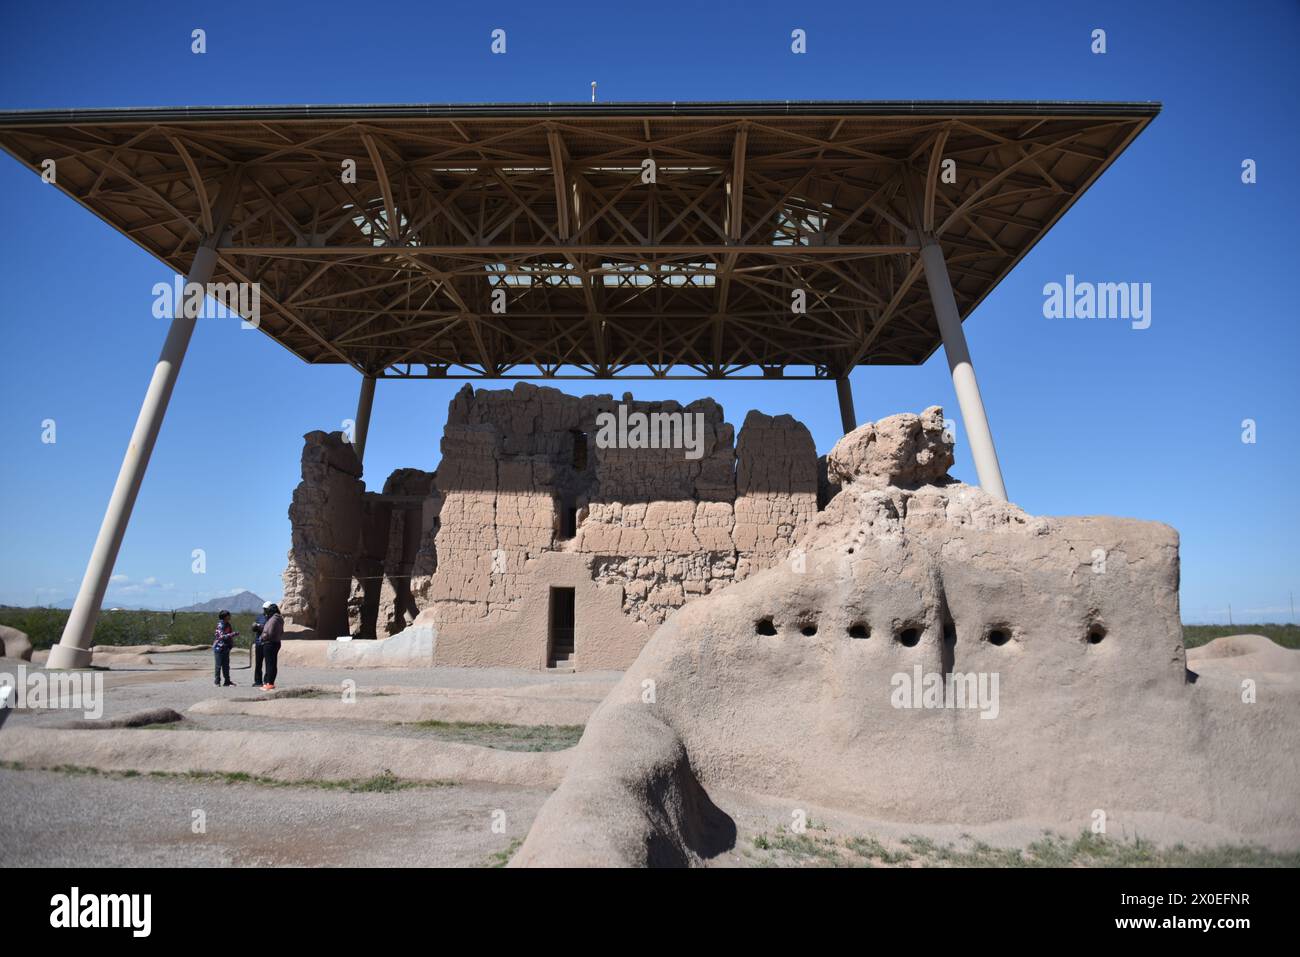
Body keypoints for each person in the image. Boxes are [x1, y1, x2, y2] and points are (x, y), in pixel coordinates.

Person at [260, 603, 284, 691]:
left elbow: (268, 632)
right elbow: (281, 632)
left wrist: (262, 637)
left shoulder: (273, 619)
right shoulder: (280, 618)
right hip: (276, 642)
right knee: (273, 664)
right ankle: (270, 683)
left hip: (270, 643)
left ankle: (269, 683)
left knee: (269, 664)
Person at [212, 611, 239, 687]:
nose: (230, 616)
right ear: (225, 616)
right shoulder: (220, 625)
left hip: (226, 648)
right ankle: (217, 682)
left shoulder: (228, 624)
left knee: (226, 665)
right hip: (219, 648)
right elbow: (221, 636)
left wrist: (231, 644)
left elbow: (228, 635)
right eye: (228, 615)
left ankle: (227, 681)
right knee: (218, 665)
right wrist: (233, 634)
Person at [251, 602, 270, 686]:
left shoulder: (272, 618)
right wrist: (254, 626)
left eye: (266, 609)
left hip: (268, 643)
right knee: (258, 663)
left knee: (268, 663)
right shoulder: (259, 617)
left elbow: (269, 629)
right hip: (259, 642)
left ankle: (267, 681)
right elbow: (254, 628)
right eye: (264, 609)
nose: (264, 610)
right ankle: (258, 681)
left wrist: (261, 626)